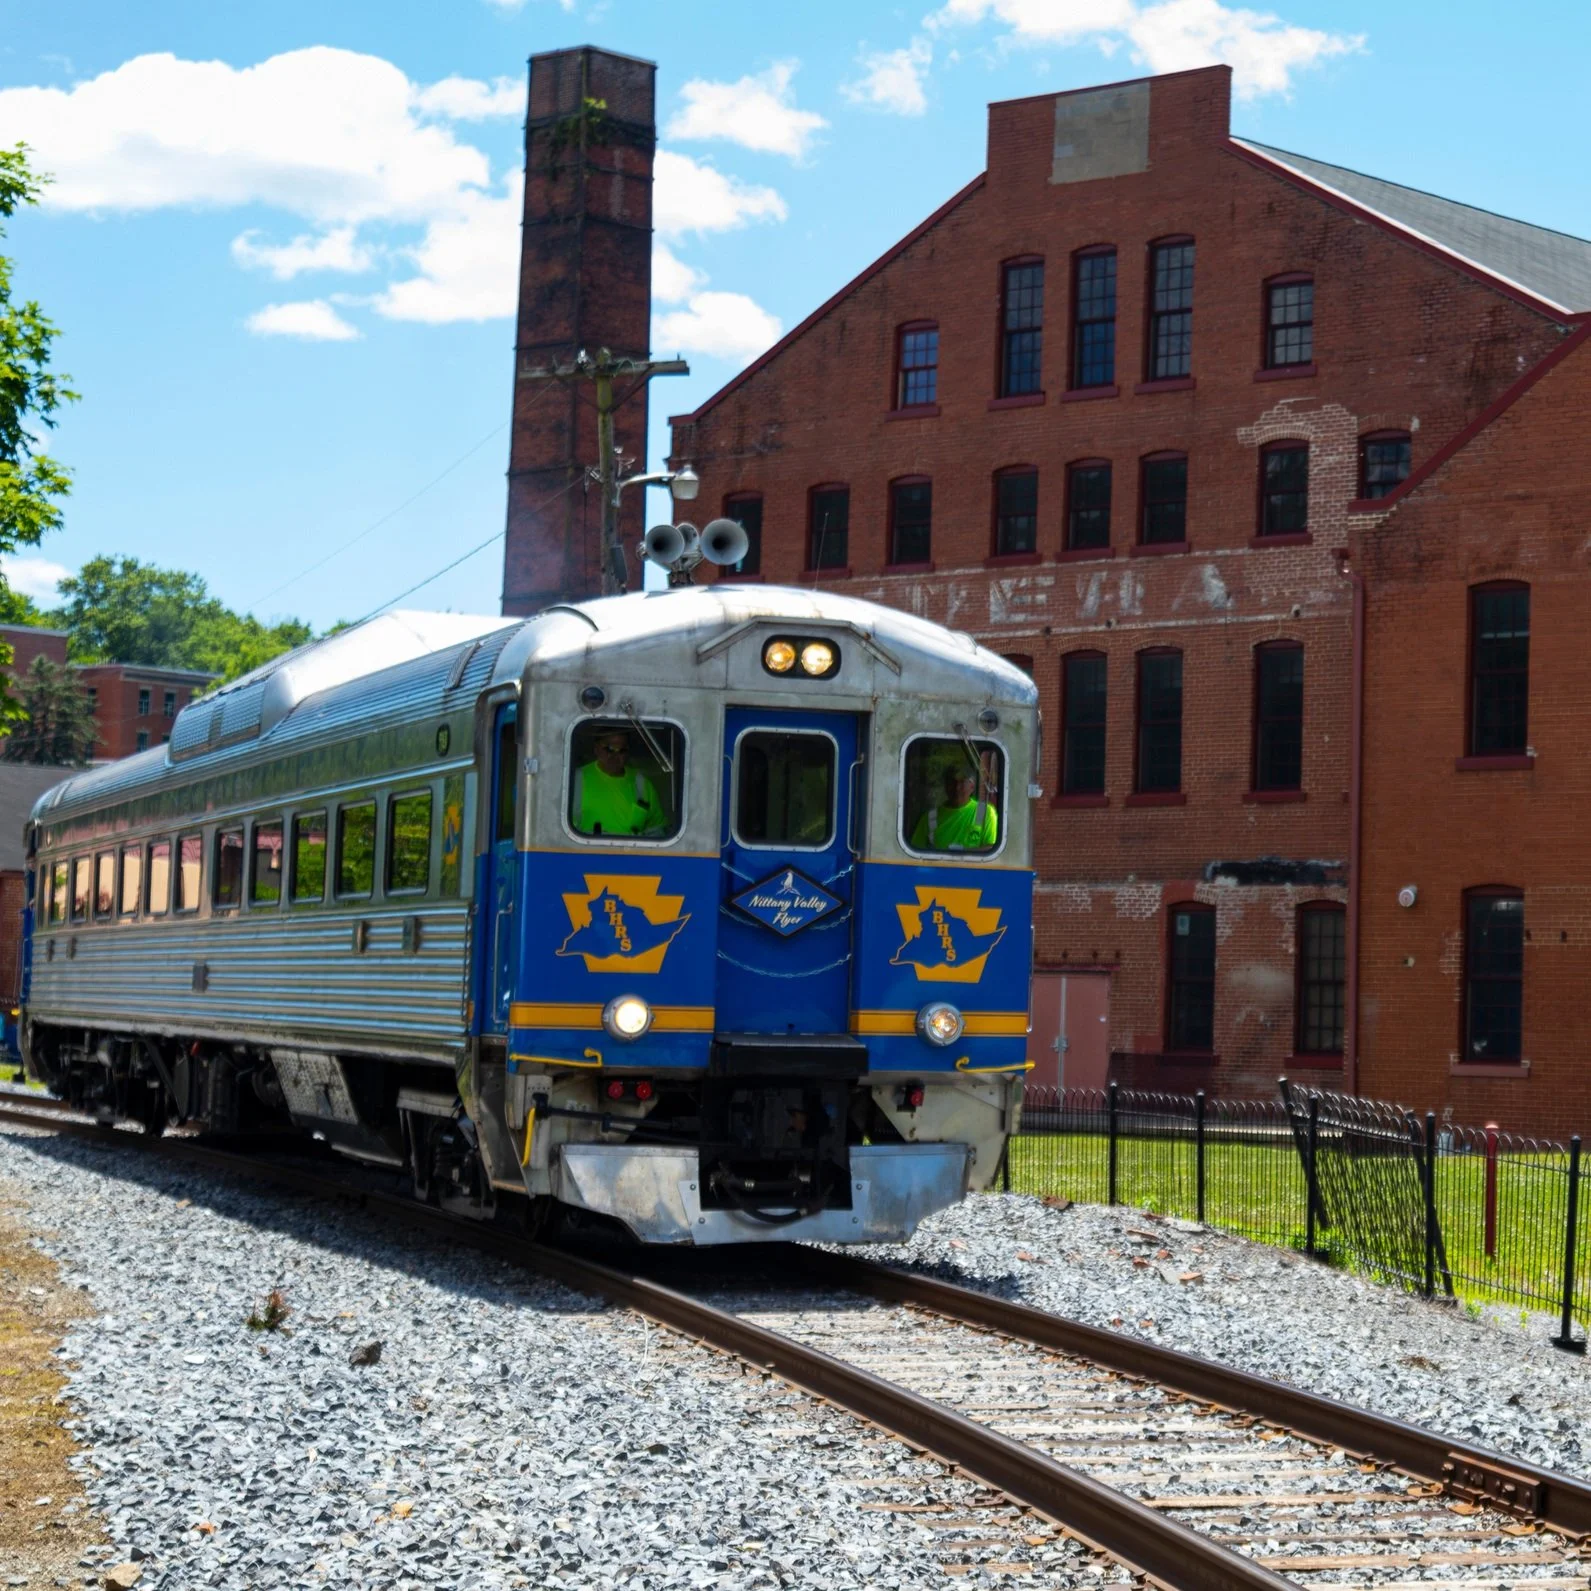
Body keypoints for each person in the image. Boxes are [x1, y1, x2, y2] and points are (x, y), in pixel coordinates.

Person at [573, 730, 664, 837]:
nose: (615, 756)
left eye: (622, 751)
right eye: (609, 749)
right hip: (585, 852)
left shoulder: (642, 784)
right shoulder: (576, 779)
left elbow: (657, 830)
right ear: (596, 749)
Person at [910, 761, 998, 852]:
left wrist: (963, 854)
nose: (957, 788)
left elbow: (992, 848)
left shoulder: (986, 812)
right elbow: (915, 850)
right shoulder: (930, 817)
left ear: (972, 786)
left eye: (962, 782)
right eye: (952, 782)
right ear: (945, 786)